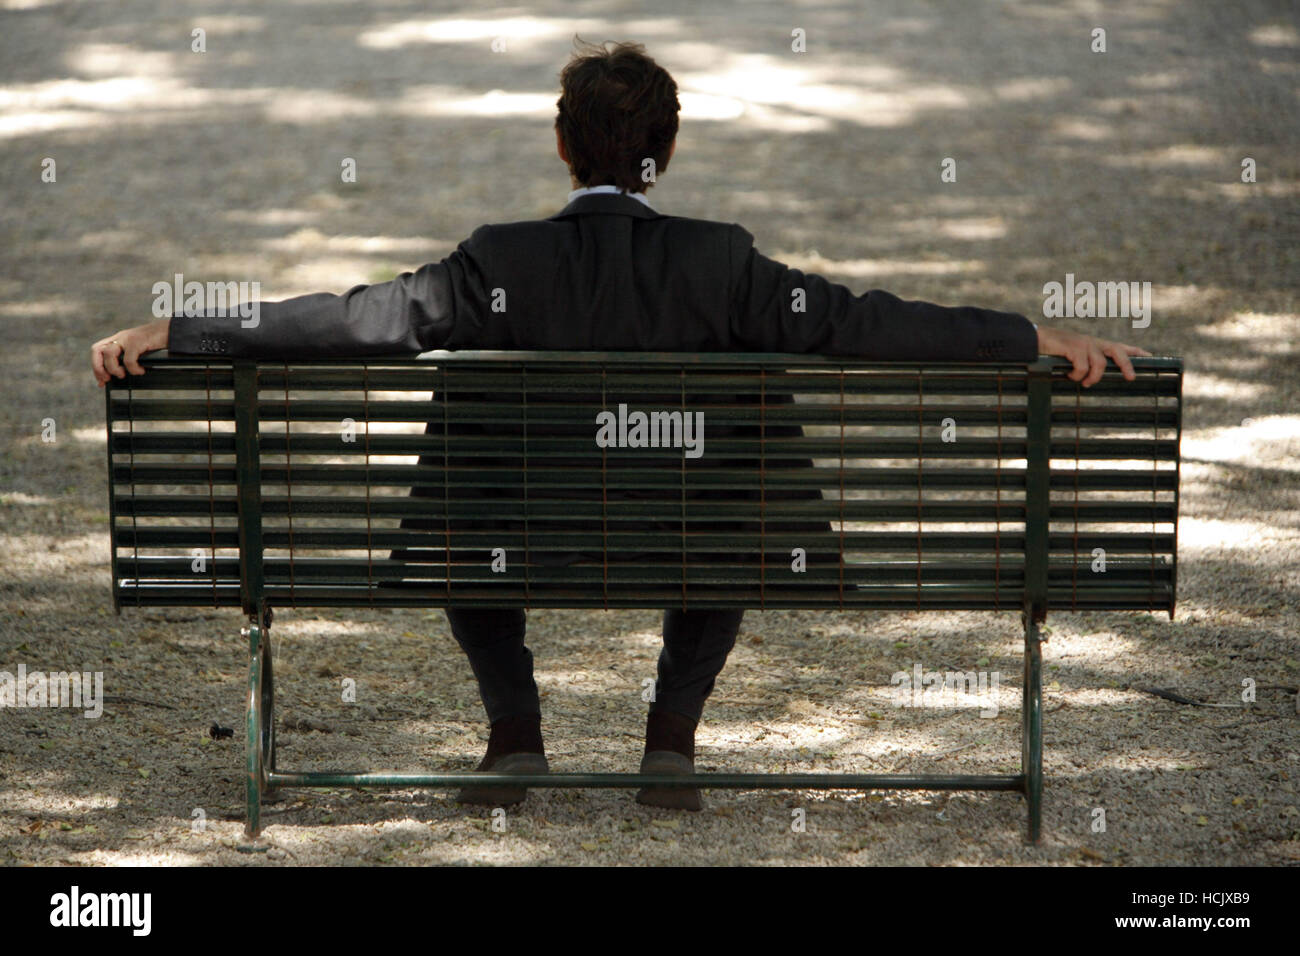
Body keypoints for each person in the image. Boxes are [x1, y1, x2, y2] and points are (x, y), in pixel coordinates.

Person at [90, 39, 1150, 811]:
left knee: (465, 486)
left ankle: (515, 731)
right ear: (666, 151)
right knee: (736, 485)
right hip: (685, 535)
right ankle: (668, 743)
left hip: (520, 535)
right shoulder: (721, 262)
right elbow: (862, 323)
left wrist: (185, 327)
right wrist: (1025, 336)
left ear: (562, 145)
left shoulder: (497, 261)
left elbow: (358, 320)